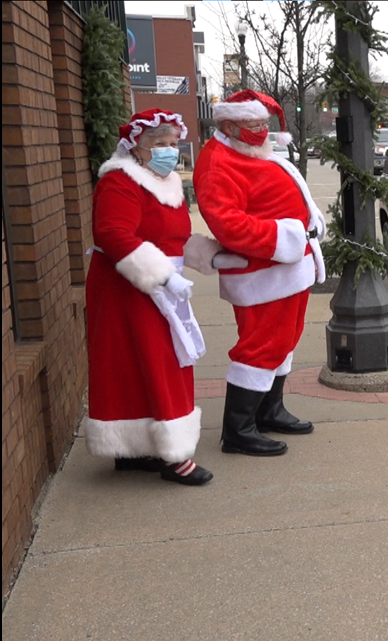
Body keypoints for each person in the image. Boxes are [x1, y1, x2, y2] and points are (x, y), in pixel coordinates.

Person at [86, 109, 217, 485]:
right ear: (137, 148)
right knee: (156, 362)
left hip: (162, 287)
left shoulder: (168, 183)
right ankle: (174, 456)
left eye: (174, 144)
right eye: (160, 144)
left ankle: (138, 449)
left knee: (154, 362)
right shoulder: (120, 182)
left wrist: (214, 256)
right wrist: (161, 276)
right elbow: (112, 233)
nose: (169, 151)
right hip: (129, 289)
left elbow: (172, 240)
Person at [193, 90, 326, 457]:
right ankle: (238, 429)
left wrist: (311, 221)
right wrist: (285, 238)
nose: (261, 131)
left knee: (284, 340)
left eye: (263, 124)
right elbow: (228, 225)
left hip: (288, 267)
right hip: (263, 272)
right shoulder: (217, 162)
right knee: (260, 345)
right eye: (252, 125)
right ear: (229, 125)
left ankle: (269, 409)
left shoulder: (247, 150)